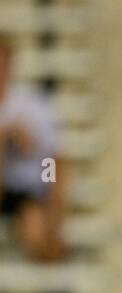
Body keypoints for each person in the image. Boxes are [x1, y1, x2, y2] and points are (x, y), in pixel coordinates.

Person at [0, 35, 66, 263]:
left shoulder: (32, 106)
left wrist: (50, 193)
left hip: (24, 191)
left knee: (36, 228)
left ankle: (52, 257)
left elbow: (53, 159)